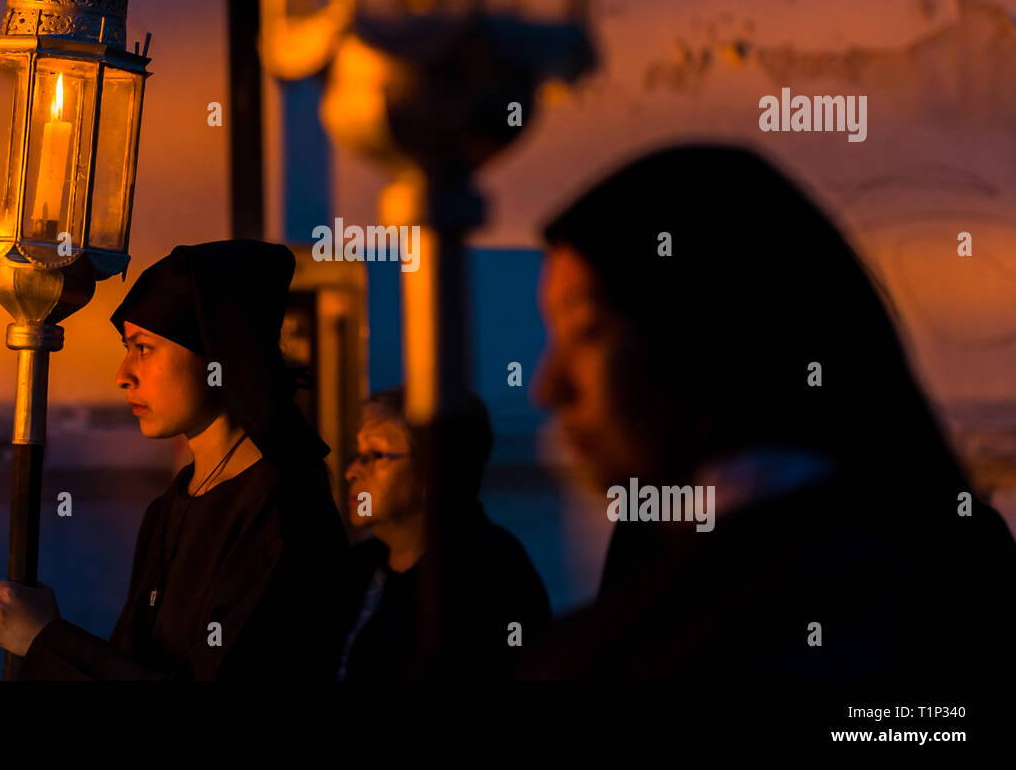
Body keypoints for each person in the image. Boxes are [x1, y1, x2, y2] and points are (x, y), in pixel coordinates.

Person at [524, 143, 1016, 679]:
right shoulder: (660, 535)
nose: (548, 387)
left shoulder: (882, 600)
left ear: (703, 336)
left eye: (587, 333)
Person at [0, 240, 348, 679]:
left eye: (144, 348)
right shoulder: (171, 504)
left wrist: (48, 639)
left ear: (217, 355)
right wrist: (46, 639)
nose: (123, 375)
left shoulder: (284, 513)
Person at [336, 387, 551, 680]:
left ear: (432, 468)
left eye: (374, 455)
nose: (352, 472)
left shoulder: (491, 576)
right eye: (358, 455)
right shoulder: (353, 570)